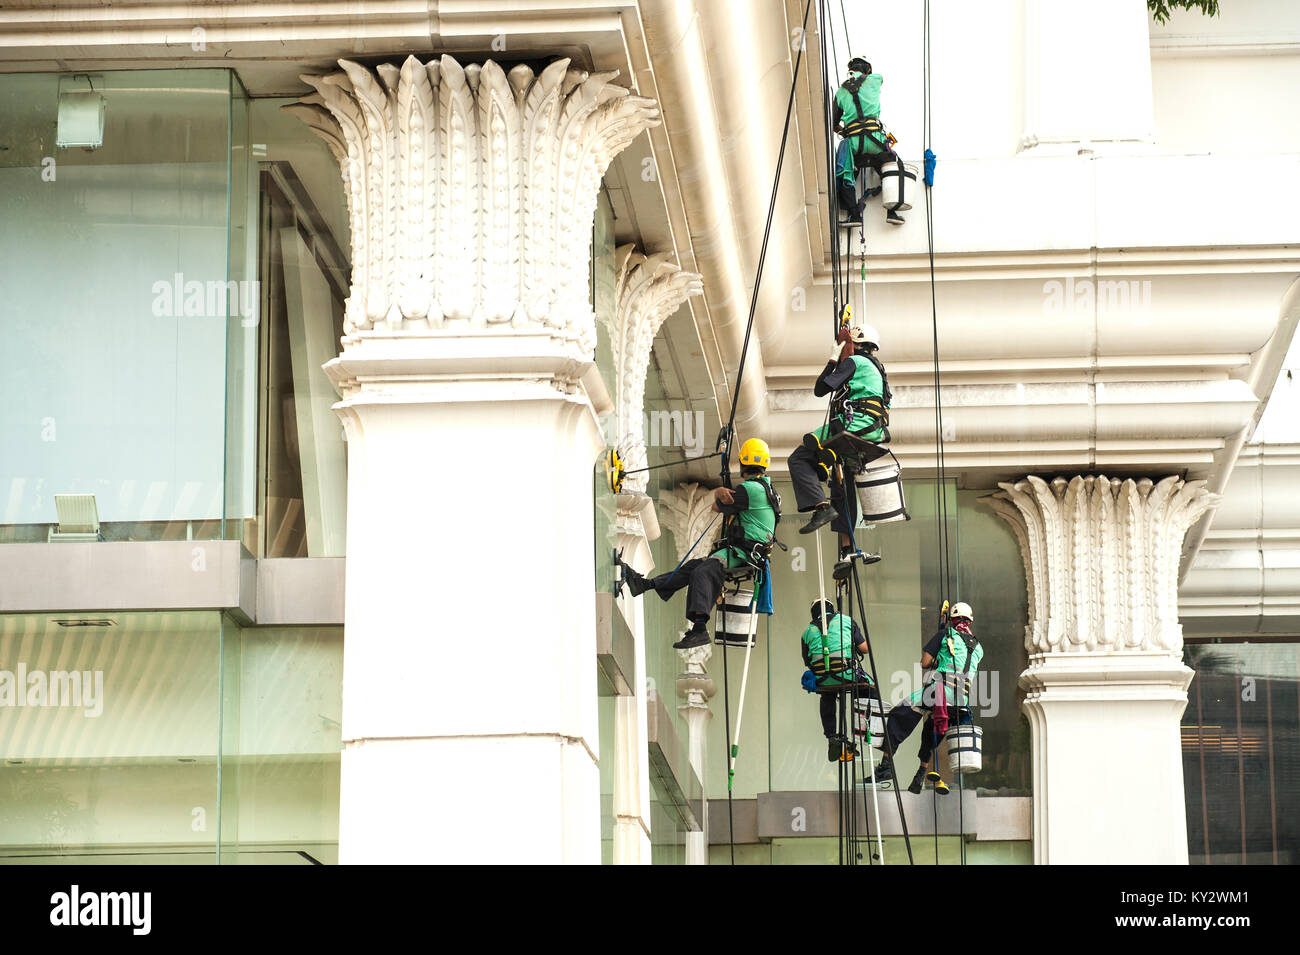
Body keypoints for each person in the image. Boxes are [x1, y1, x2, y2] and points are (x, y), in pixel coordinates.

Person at [619, 438, 780, 650]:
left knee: (702, 573)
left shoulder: (749, 490)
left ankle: (699, 628)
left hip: (743, 554)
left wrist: (719, 493)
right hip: (749, 553)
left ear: (742, 464)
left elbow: (716, 507)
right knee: (693, 566)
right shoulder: (768, 491)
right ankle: (645, 585)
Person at [787, 322, 891, 575]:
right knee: (840, 482)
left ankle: (821, 507)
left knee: (800, 455)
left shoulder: (855, 362)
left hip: (852, 426)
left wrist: (834, 358)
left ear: (853, 344)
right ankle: (847, 547)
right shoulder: (878, 371)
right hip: (871, 431)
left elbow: (820, 389)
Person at [875, 602, 983, 794]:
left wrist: (937, 657)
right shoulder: (979, 648)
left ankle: (885, 765)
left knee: (899, 715)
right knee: (931, 731)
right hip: (960, 702)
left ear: (952, 620)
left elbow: (925, 662)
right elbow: (959, 663)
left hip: (939, 690)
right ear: (969, 621)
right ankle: (920, 774)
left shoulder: (945, 635)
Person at [800, 599, 879, 762]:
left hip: (823, 679)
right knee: (868, 687)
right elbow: (864, 649)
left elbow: (808, 662)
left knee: (827, 695)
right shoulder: (846, 620)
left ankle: (831, 735)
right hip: (847, 673)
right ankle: (861, 729)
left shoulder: (807, 631)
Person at [834, 57, 904, 226]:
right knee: (891, 170)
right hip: (875, 141)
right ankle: (892, 211)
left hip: (853, 144)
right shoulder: (875, 79)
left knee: (847, 173)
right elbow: (878, 80)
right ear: (868, 70)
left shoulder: (840, 92)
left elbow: (834, 123)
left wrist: (847, 130)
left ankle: (854, 215)